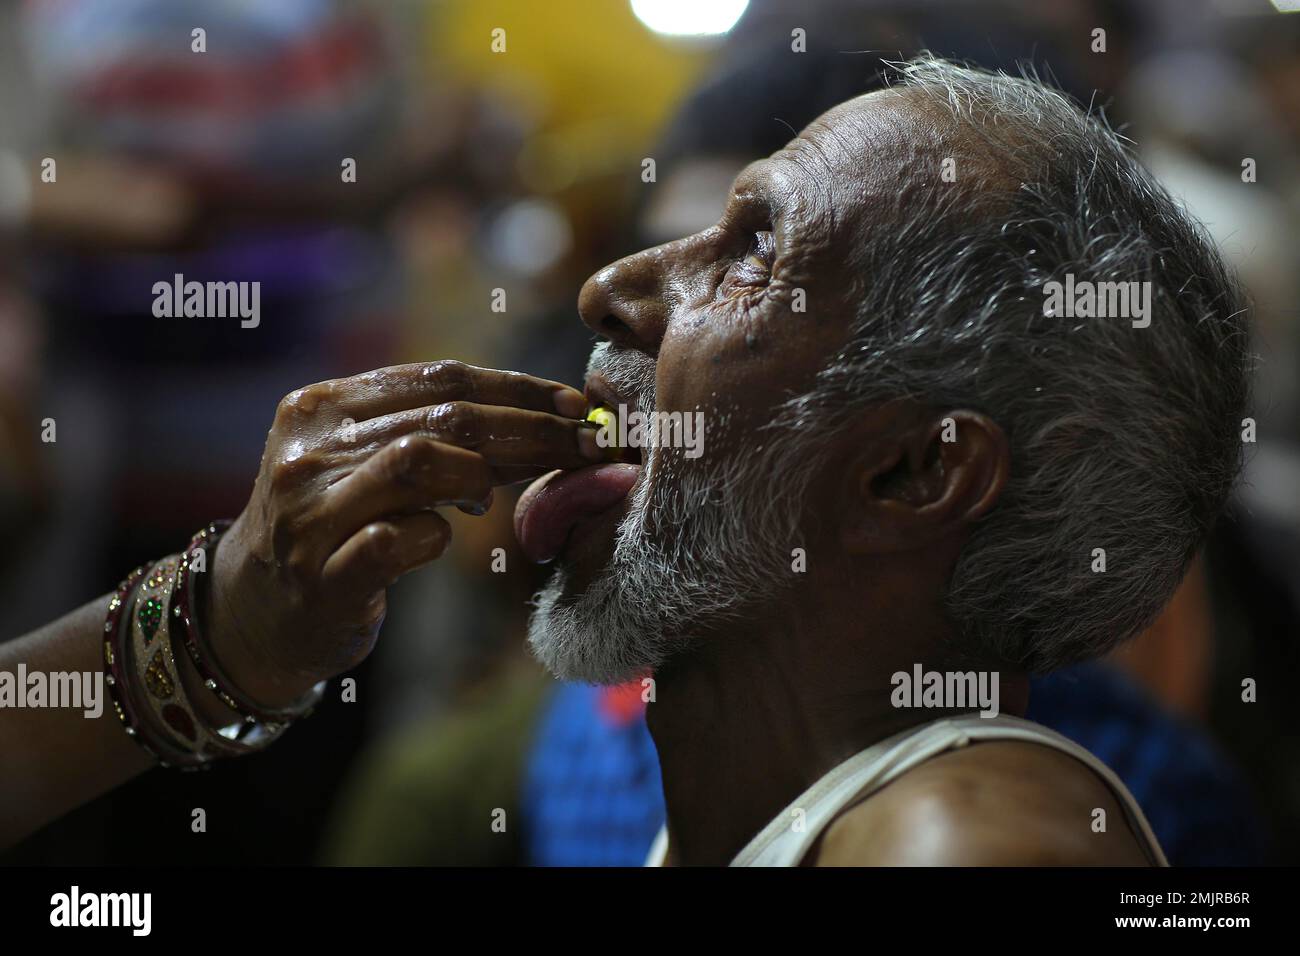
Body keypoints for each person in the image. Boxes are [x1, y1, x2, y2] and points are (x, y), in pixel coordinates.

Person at [0, 57, 1249, 865]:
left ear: (913, 475)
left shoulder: (965, 845)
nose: (609, 290)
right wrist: (219, 630)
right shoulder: (759, 802)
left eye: (749, 248)